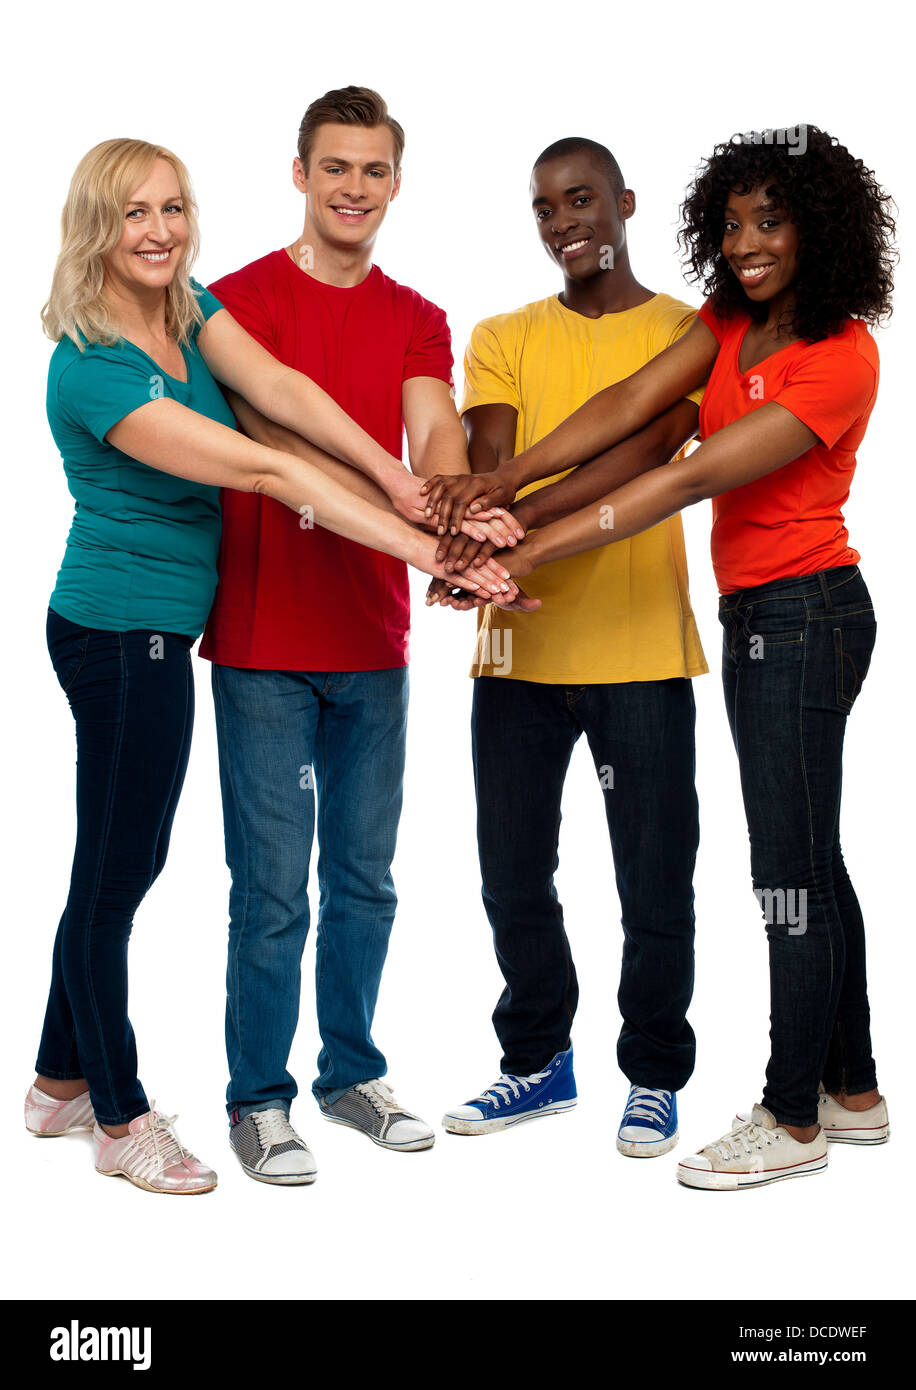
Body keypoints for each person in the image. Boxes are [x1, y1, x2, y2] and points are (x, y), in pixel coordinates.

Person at [26, 136, 514, 1196]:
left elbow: (283, 391)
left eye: (171, 208)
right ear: (93, 231)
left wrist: (397, 479)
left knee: (119, 867)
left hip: (157, 636)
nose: (157, 231)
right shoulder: (93, 362)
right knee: (113, 883)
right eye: (131, 215)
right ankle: (117, 1116)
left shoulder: (187, 309)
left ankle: (59, 1076)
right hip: (119, 634)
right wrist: (435, 550)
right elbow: (260, 460)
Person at [424, 124, 895, 1189]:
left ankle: (790, 1116)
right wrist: (500, 488)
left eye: (769, 221)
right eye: (731, 224)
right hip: (759, 619)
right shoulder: (730, 322)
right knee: (810, 864)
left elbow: (677, 477)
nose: (745, 243)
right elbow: (627, 404)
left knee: (785, 878)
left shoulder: (840, 356)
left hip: (806, 616)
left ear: (819, 227)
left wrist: (526, 540)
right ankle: (851, 1088)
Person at [195, 87, 523, 1185]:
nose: (351, 188)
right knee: (273, 885)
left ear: (395, 184)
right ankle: (257, 1096)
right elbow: (273, 431)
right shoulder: (229, 304)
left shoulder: (417, 316)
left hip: (374, 637)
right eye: (333, 167)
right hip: (260, 639)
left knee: (367, 877)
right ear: (298, 173)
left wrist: (454, 504)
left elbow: (430, 426)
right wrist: (418, 516)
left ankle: (350, 1074)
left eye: (372, 171)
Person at [426, 137, 708, 1157]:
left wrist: (505, 528)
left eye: (580, 199)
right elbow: (487, 456)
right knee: (510, 870)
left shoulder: (689, 329)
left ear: (625, 202)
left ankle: (653, 1072)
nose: (563, 222)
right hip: (513, 651)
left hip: (637, 647)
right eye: (544, 208)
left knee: (654, 875)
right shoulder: (502, 333)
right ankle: (536, 1061)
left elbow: (644, 448)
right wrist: (479, 535)